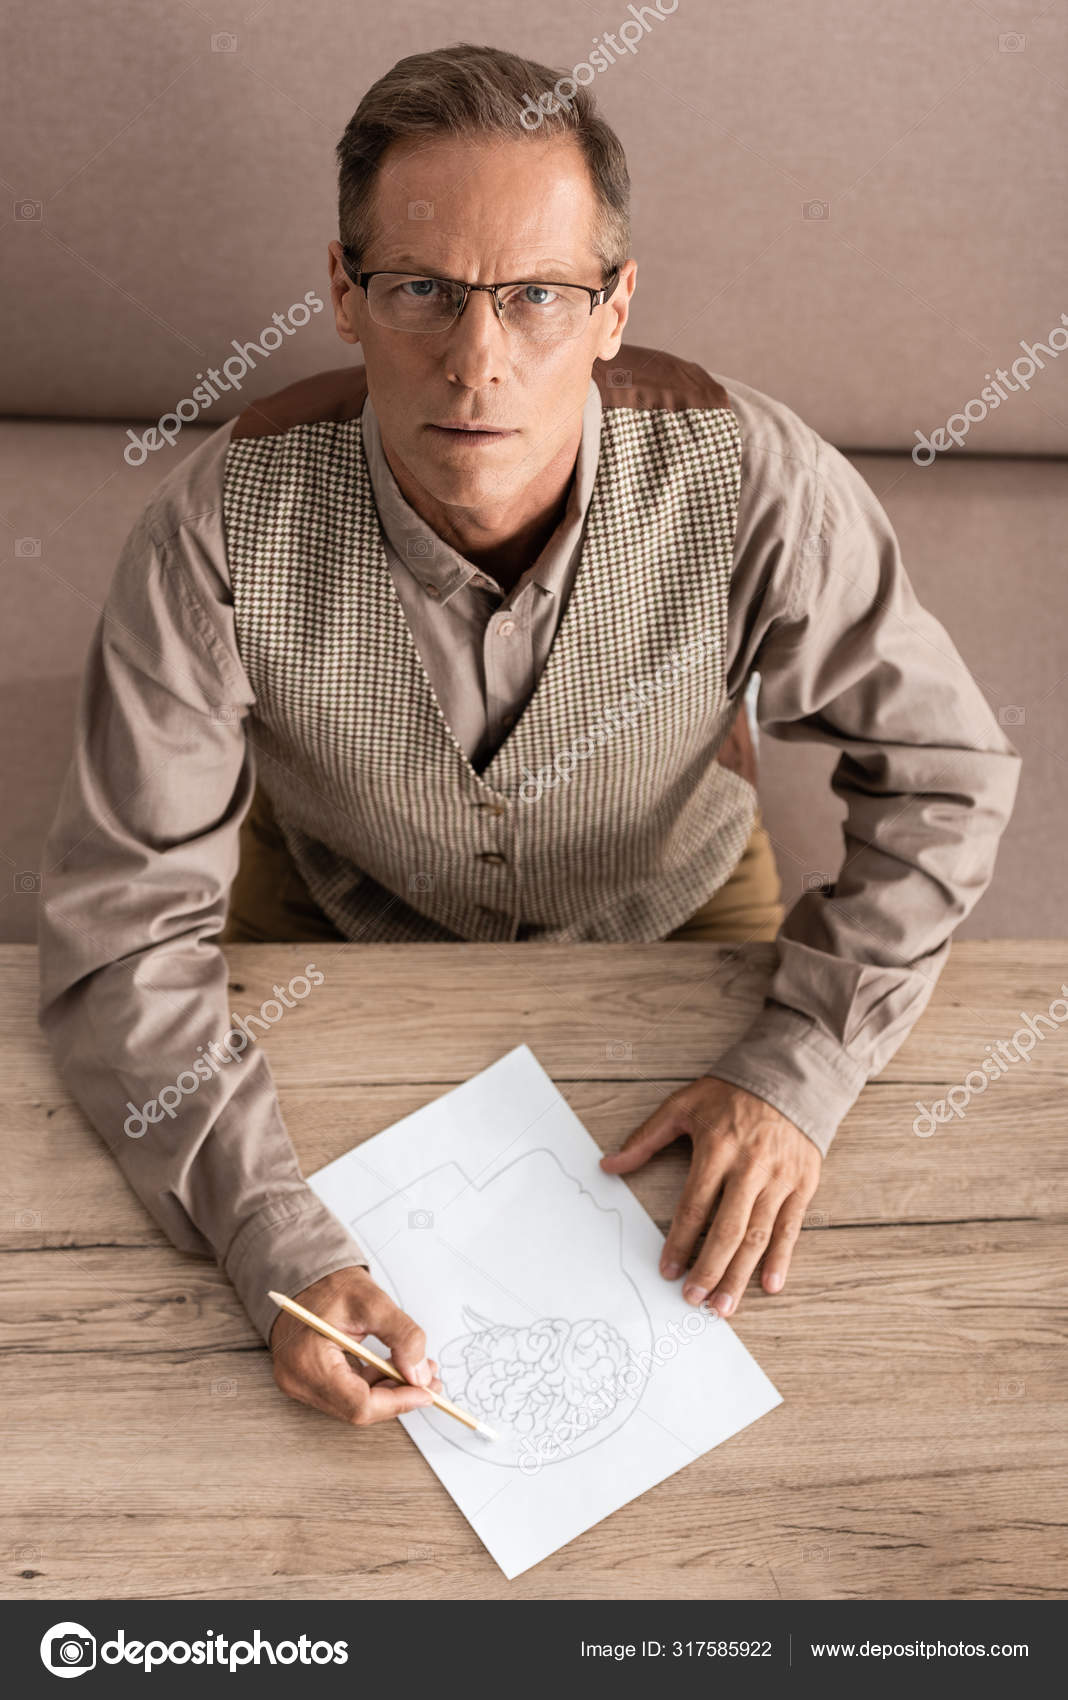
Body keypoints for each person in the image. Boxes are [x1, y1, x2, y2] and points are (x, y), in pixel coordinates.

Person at [37, 44, 1021, 1433]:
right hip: (324, 910)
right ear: (342, 294)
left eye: (538, 297)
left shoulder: (758, 479)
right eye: (422, 290)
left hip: (677, 908)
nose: (476, 359)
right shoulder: (210, 532)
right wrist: (276, 1247)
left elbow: (947, 775)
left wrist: (799, 1065)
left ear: (615, 308)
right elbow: (124, 937)